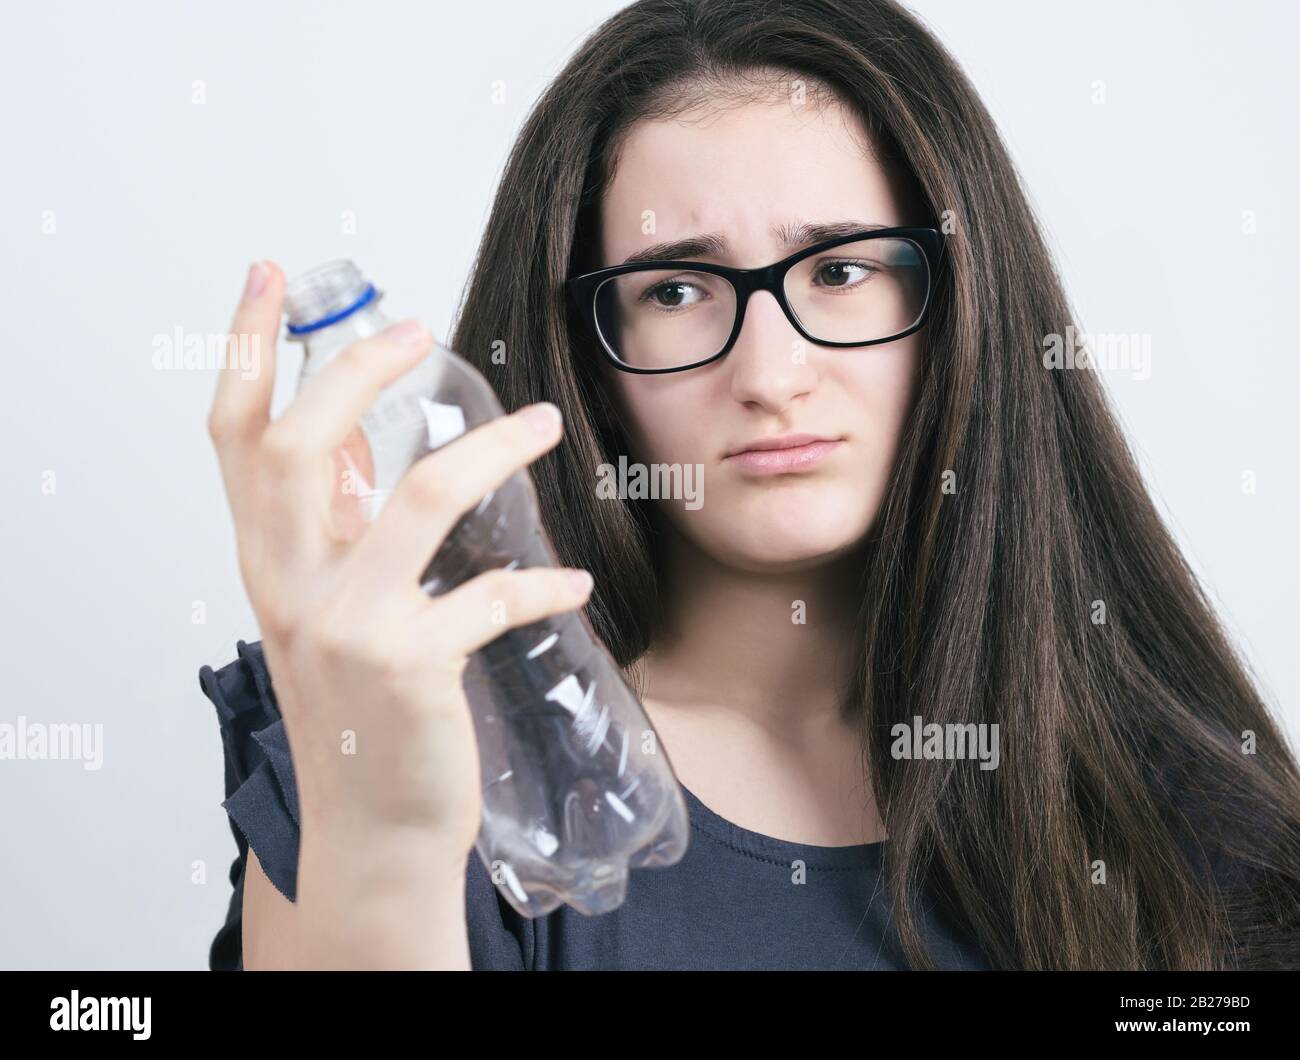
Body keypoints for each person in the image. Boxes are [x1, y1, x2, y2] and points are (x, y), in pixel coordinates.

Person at [199, 0, 1300, 970]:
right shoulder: (392, 765)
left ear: (965, 307)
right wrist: (379, 835)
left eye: (841, 270)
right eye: (676, 289)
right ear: (587, 353)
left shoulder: (1193, 827)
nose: (771, 375)